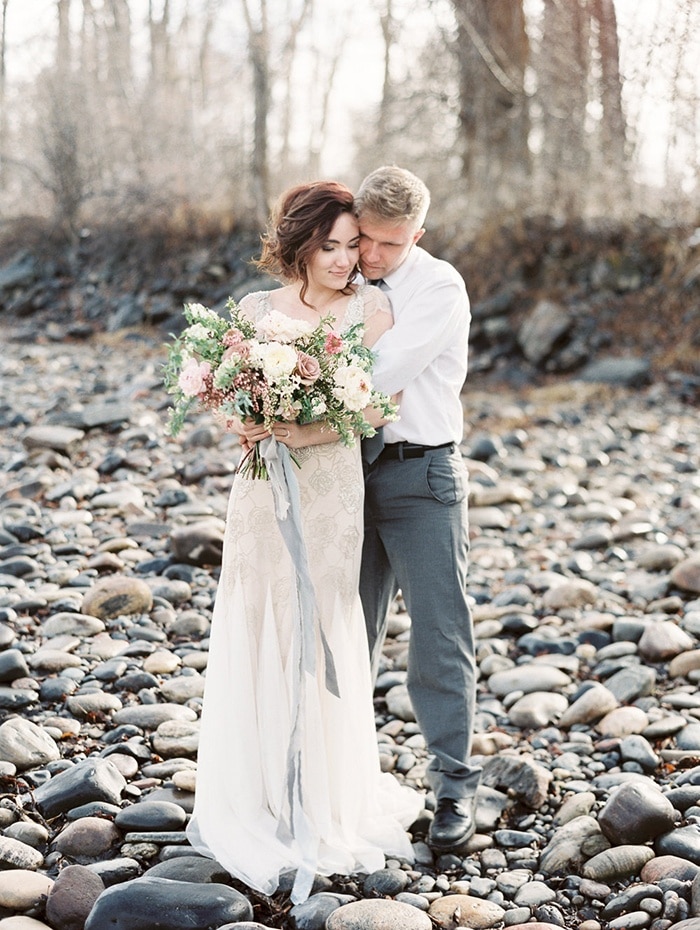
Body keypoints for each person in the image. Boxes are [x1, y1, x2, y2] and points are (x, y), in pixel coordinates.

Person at [186, 180, 422, 905]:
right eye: (333, 246)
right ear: (301, 246)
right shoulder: (256, 313)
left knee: (316, 612)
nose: (348, 259)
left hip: (329, 489)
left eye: (355, 246)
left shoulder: (371, 310)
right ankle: (257, 797)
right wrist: (245, 422)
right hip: (260, 489)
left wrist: (305, 428)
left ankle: (317, 799)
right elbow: (219, 395)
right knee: (259, 605)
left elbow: (381, 404)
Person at [355, 165, 481, 853]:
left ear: (418, 236)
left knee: (439, 634)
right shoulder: (345, 268)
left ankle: (456, 785)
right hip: (345, 471)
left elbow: (381, 373)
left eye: (390, 246)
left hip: (420, 475)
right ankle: (337, 783)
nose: (372, 256)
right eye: (366, 239)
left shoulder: (438, 286)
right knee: (347, 631)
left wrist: (295, 376)